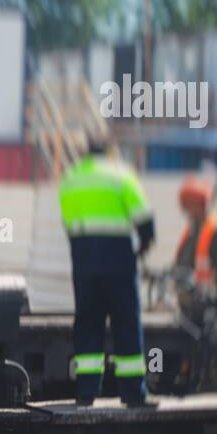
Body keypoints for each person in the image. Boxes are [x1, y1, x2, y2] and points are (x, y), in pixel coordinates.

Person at [58, 134, 155, 407]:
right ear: (110, 151)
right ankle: (133, 393)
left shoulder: (70, 178)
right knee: (125, 322)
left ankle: (86, 393)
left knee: (88, 323)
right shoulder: (120, 175)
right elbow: (143, 214)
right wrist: (145, 242)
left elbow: (68, 222)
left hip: (83, 261)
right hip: (118, 261)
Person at [174, 176, 217, 315]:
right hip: (191, 304)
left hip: (209, 306)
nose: (186, 211)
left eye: (189, 205)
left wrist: (216, 300)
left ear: (200, 204)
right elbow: (184, 261)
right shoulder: (193, 231)